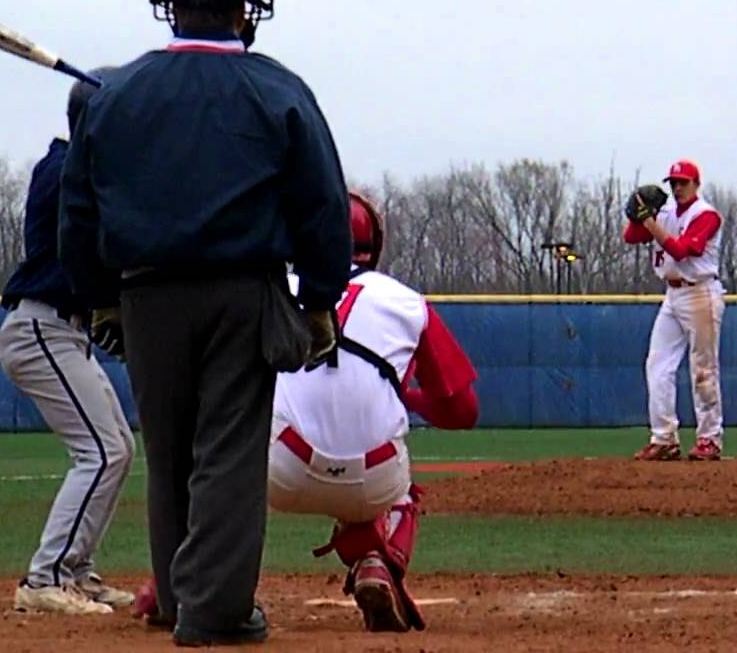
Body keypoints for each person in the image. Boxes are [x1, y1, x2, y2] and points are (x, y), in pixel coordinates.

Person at [57, 0, 351, 646]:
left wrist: (97, 297)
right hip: (240, 290)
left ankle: (177, 595)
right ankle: (213, 610)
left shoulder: (117, 92)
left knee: (169, 452)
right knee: (228, 452)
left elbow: (78, 207)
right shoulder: (277, 88)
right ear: (244, 11)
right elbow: (321, 203)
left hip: (146, 294)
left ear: (174, 8)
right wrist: (318, 297)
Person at [132, 191, 480, 634]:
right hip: (372, 479)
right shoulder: (408, 302)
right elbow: (463, 412)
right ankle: (376, 560)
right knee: (398, 484)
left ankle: (178, 584)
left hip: (280, 466)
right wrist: (404, 395)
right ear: (375, 244)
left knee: (221, 470)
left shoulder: (272, 290)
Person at [0, 67, 137, 616]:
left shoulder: (76, 164)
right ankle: (45, 577)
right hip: (41, 328)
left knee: (117, 449)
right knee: (100, 451)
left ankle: (75, 569)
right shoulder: (63, 169)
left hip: (64, 332)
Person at [622, 159, 726, 461]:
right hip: (672, 295)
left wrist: (650, 222)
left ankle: (709, 438)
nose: (678, 188)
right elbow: (631, 237)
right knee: (657, 366)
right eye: (674, 183)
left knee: (703, 369)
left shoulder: (706, 215)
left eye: (683, 182)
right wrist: (638, 216)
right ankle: (664, 437)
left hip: (700, 293)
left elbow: (682, 251)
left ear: (696, 184)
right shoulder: (665, 212)